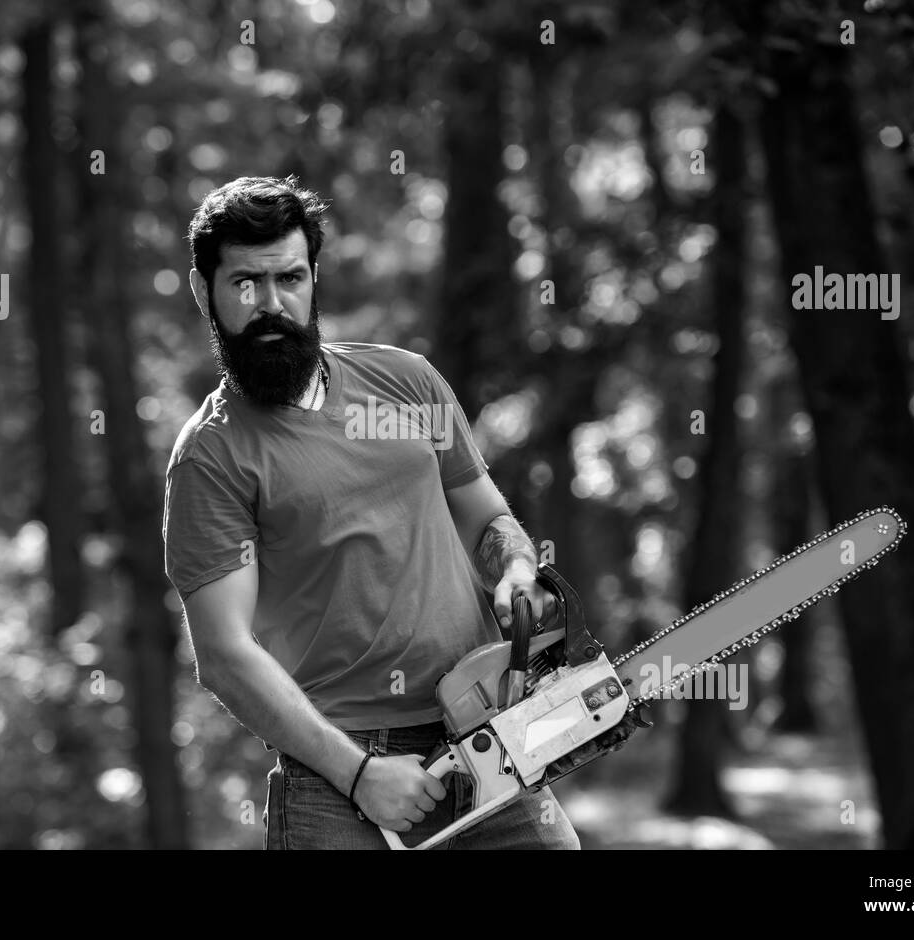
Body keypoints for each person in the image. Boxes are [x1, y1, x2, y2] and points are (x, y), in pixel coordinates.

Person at [163, 175, 642, 850]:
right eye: (246, 283)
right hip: (339, 777)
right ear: (202, 290)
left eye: (290, 278)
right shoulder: (210, 458)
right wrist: (358, 775)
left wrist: (515, 570)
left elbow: (489, 520)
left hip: (487, 734)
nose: (271, 304)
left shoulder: (407, 380)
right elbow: (223, 654)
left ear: (313, 278)